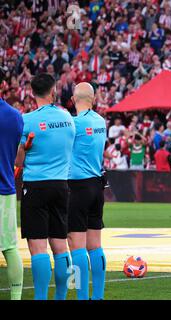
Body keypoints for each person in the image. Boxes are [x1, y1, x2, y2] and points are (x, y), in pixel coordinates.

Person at [18, 73, 75, 300]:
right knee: (60, 245)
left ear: (32, 93)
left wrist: (27, 147)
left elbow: (18, 161)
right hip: (61, 185)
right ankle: (61, 297)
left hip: (35, 186)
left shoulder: (26, 120)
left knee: (38, 248)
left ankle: (40, 297)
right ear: (53, 92)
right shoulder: (68, 119)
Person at [68, 82, 107, 300]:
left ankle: (82, 296)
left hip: (77, 186)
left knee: (77, 244)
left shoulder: (74, 124)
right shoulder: (101, 121)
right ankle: (98, 296)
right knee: (95, 245)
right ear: (93, 98)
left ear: (74, 99)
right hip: (96, 185)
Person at [0, 70, 24, 300]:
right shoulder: (16, 117)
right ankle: (15, 297)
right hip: (4, 189)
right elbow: (18, 153)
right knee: (8, 247)